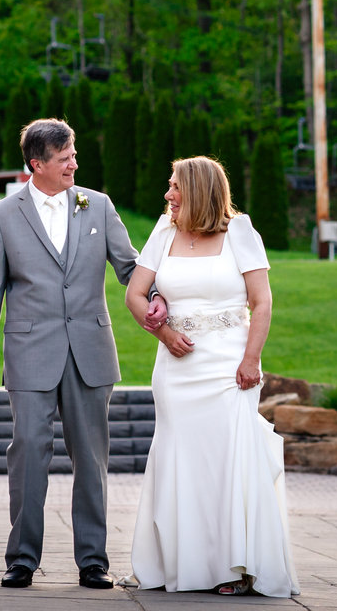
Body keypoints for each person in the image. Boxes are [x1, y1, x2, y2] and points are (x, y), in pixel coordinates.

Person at [0, 118, 165, 589]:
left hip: (91, 350)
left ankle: (93, 561)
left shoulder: (97, 205)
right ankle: (21, 559)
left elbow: (130, 266)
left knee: (92, 458)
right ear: (37, 164)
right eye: (65, 157)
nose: (75, 163)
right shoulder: (2, 216)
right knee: (29, 451)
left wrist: (156, 292)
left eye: (73, 154)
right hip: (30, 353)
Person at [122, 155, 300, 598]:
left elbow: (262, 302)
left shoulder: (240, 231)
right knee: (180, 460)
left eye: (174, 186)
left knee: (229, 462)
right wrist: (163, 332)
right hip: (176, 370)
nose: (167, 194)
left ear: (198, 189)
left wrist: (251, 360)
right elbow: (134, 293)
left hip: (228, 369)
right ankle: (179, 563)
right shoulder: (164, 231)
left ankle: (234, 566)